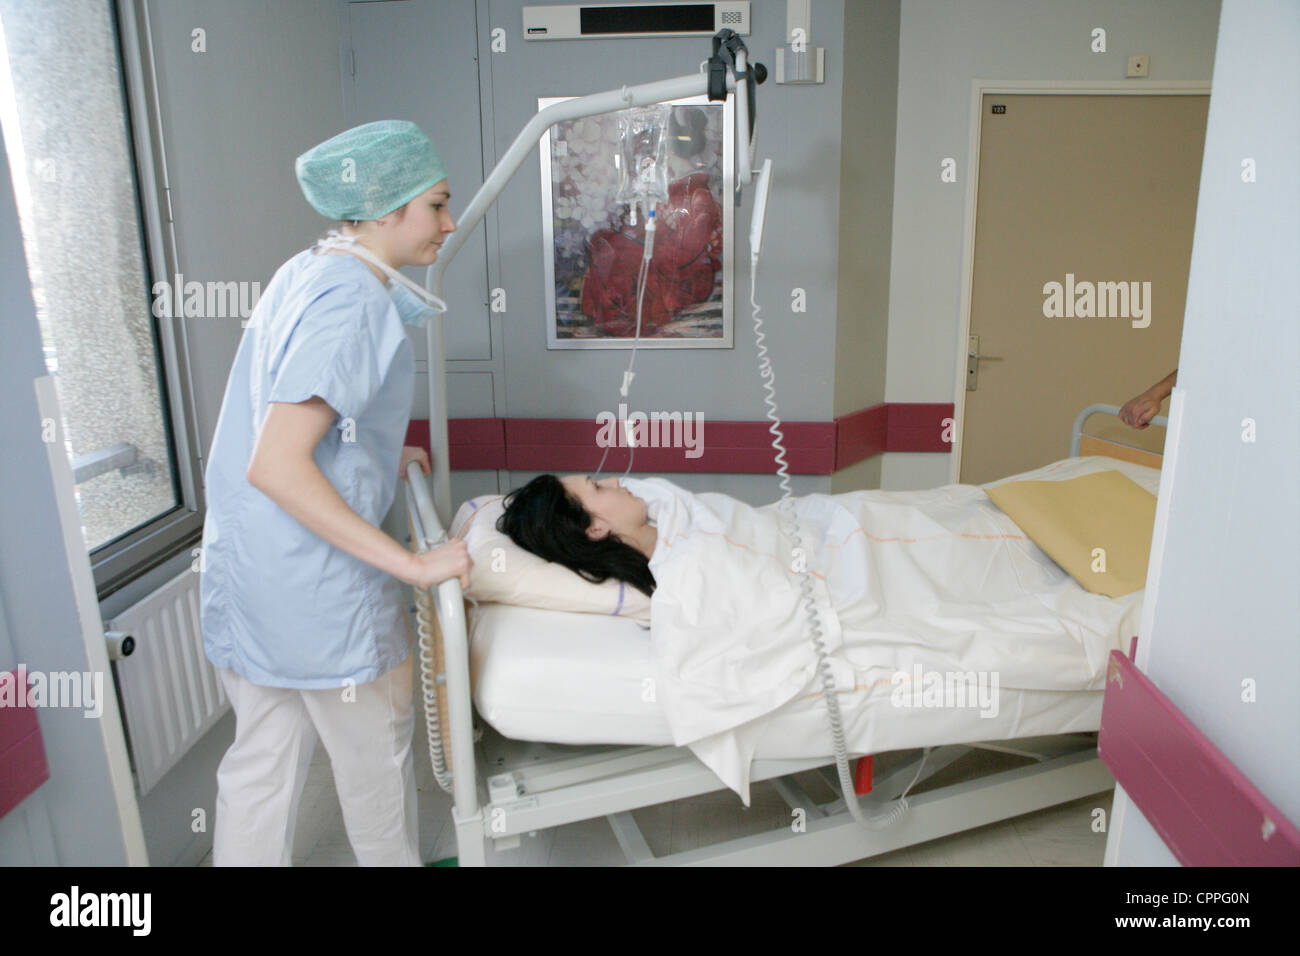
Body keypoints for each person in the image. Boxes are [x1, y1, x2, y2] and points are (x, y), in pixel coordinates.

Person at [200, 120, 472, 867]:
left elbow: (293, 419)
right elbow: (279, 462)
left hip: (253, 582)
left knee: (258, 772)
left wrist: (381, 454)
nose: (450, 223)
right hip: (320, 600)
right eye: (437, 206)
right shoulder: (353, 300)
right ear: (385, 209)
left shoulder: (307, 271)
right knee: (375, 776)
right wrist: (414, 566)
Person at [497, 474, 657, 597]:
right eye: (597, 487)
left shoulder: (665, 507)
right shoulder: (675, 575)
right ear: (595, 529)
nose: (614, 481)